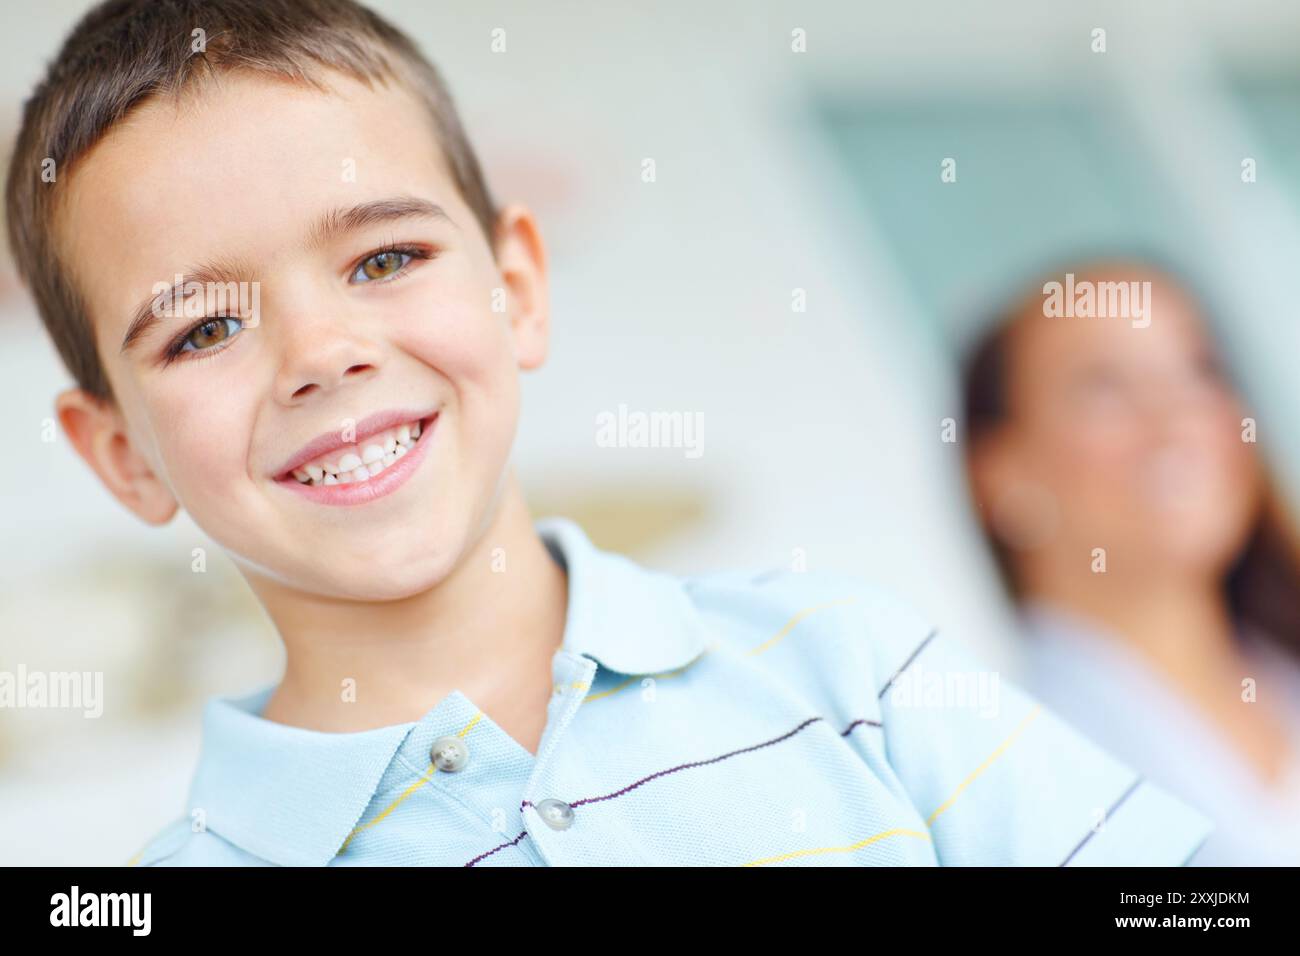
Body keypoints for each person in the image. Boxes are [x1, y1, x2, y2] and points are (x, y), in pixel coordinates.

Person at [5, 0, 1211, 866]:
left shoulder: (851, 669)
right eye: (204, 330)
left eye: (385, 257)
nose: (323, 354)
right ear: (118, 451)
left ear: (517, 287)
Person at [961, 255, 1300, 865]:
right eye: (1105, 387)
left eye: (1198, 372)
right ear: (1002, 475)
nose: (1176, 421)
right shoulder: (1004, 787)